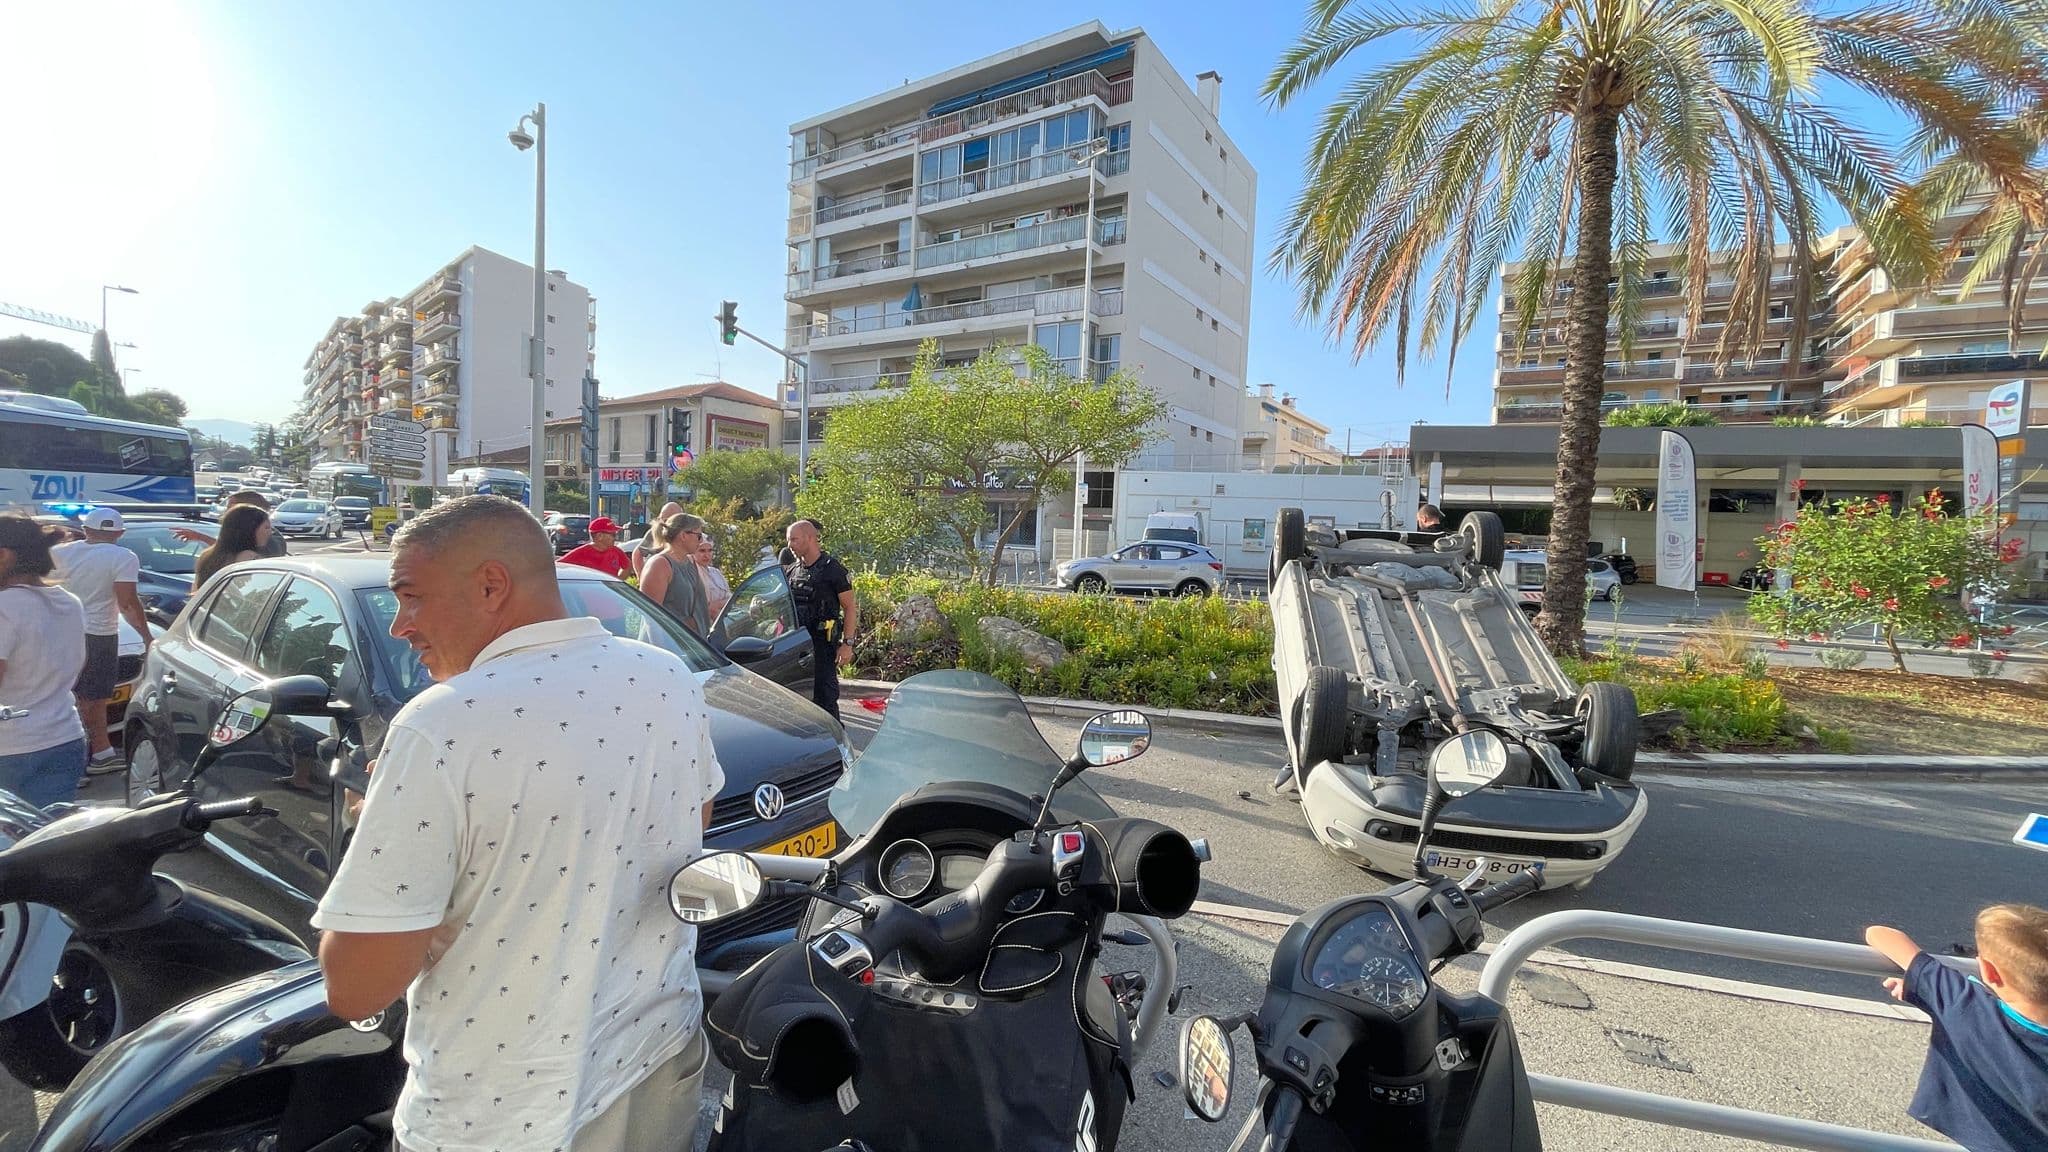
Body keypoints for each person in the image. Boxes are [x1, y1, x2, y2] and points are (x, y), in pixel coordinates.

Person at [313, 495, 724, 1152]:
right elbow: (687, 823)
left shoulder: (439, 726)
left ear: (490, 585)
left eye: (410, 596)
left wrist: (381, 832)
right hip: (655, 1058)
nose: (399, 625)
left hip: (500, 1113)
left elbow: (358, 986)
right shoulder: (666, 676)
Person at [1867, 907, 2048, 1151]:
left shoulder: (1963, 1002)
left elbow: (1878, 934)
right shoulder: (1960, 999)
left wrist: (1925, 988)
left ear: (1989, 972)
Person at [52, 508, 150, 773]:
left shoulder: (59, 552)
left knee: (67, 695)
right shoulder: (124, 557)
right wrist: (146, 636)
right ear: (120, 533)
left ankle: (96, 753)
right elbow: (127, 603)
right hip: (98, 633)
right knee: (93, 697)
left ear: (86, 530)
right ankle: (90, 757)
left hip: (60, 630)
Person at [0, 515, 89, 807]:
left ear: (4, 555)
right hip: (63, 737)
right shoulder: (69, 603)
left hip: (10, 747)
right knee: (47, 834)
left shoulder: (5, 607)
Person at [784, 518, 856, 720]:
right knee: (798, 704)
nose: (789, 545)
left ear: (810, 538)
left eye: (794, 540)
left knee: (825, 701)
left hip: (823, 646)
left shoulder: (833, 570)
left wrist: (847, 644)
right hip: (796, 647)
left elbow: (850, 608)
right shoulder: (792, 571)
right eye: (789, 540)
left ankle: (834, 737)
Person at [639, 513, 710, 635]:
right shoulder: (660, 565)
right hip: (667, 643)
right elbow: (651, 617)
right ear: (683, 535)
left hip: (692, 641)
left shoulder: (690, 562)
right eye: (698, 536)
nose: (701, 541)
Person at [193, 504, 274, 588]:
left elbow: (196, 590)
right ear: (250, 529)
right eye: (267, 527)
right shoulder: (250, 558)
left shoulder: (207, 556)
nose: (270, 532)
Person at [561, 516, 633, 579]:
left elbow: (627, 566)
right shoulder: (581, 552)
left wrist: (617, 582)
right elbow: (558, 567)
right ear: (599, 536)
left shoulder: (616, 551)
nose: (615, 538)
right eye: (613, 535)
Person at [631, 502, 683, 579]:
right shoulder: (655, 532)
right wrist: (641, 577)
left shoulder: (687, 533)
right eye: (662, 519)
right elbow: (637, 554)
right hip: (658, 576)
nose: (664, 523)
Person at [696, 535, 730, 620]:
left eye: (710, 550)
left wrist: (717, 604)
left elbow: (730, 598)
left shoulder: (716, 572)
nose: (706, 555)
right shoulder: (692, 574)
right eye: (702, 551)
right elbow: (708, 608)